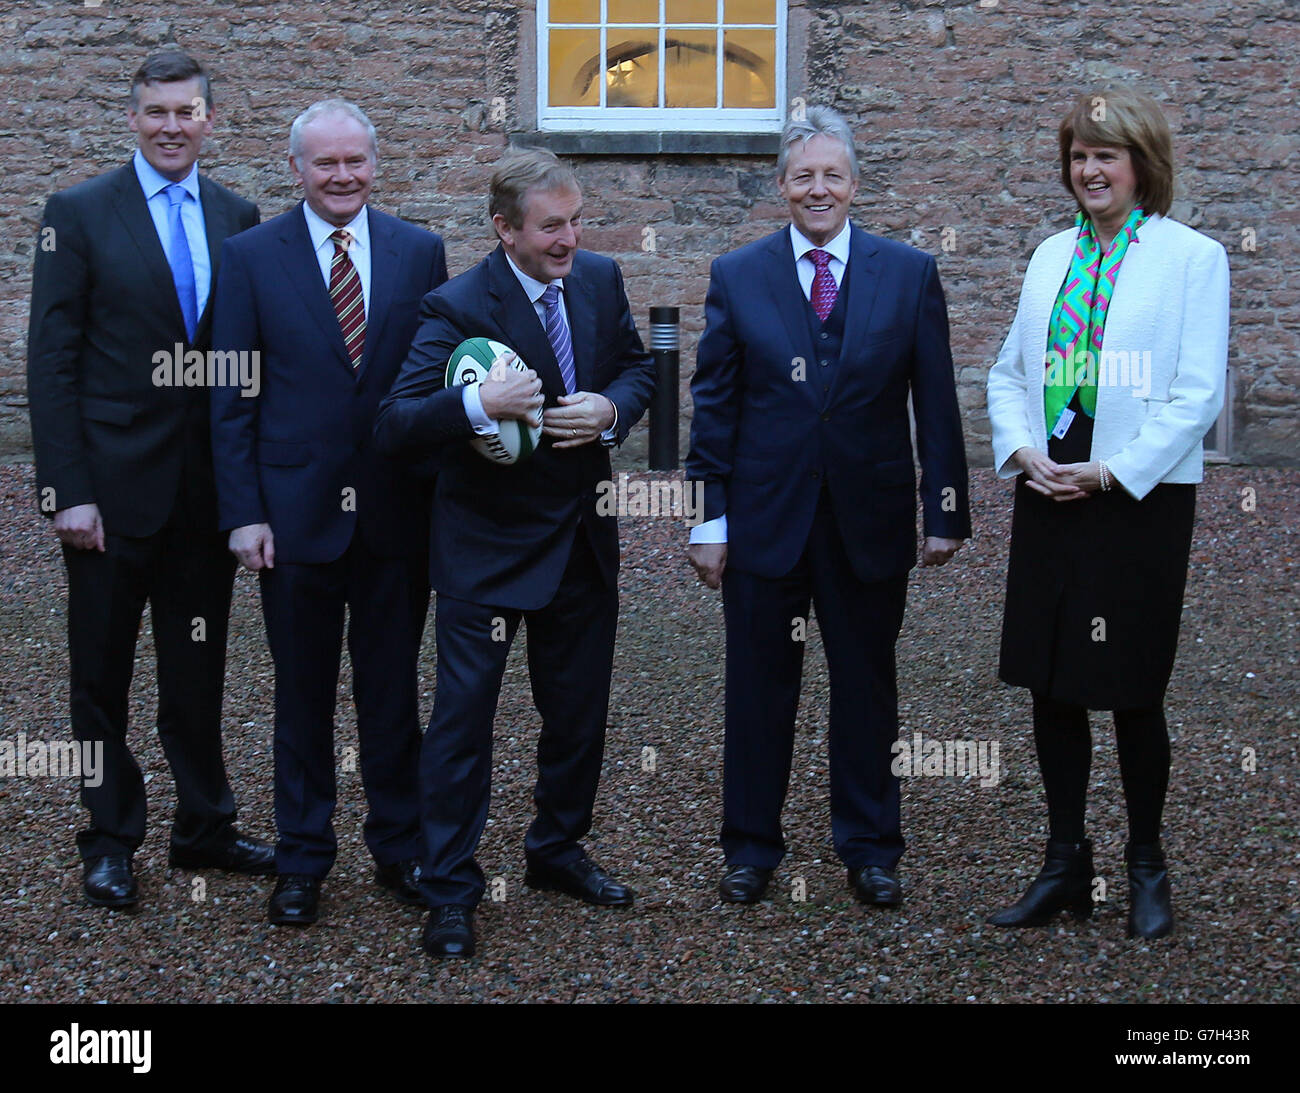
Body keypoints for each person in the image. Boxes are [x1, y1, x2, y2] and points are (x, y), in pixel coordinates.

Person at [685, 107, 971, 909]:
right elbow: (715, 403)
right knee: (756, 686)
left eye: (832, 175)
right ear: (782, 185)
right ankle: (749, 847)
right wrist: (707, 516)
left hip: (868, 518)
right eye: (803, 175)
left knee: (867, 685)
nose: (818, 189)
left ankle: (872, 846)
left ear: (854, 184)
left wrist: (945, 507)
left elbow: (936, 402)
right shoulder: (738, 274)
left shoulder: (908, 273)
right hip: (763, 518)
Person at [374, 147, 656, 958]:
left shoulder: (599, 279)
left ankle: (557, 851)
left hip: (581, 545)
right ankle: (451, 885)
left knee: (577, 717)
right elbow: (394, 423)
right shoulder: (457, 304)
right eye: (551, 226)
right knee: (462, 727)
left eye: (576, 220)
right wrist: (476, 403)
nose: (570, 238)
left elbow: (638, 370)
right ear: (503, 229)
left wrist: (609, 410)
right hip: (485, 552)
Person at [26, 51, 270, 908]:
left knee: (196, 670)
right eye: (157, 112)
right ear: (133, 119)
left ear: (210, 119)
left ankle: (204, 826)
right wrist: (66, 489)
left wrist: (251, 492)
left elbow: (245, 362)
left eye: (188, 112)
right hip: (110, 495)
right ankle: (109, 836)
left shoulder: (240, 217)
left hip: (204, 498)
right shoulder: (80, 213)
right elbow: (50, 363)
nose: (173, 126)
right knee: (101, 674)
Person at [984, 87, 1228, 939]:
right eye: (1079, 156)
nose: (1089, 170)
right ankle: (1064, 866)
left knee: (1130, 688)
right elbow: (1009, 374)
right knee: (1052, 684)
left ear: (1142, 166)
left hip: (1135, 498)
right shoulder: (1051, 255)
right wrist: (1024, 454)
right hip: (1050, 484)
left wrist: (1112, 472)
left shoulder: (1191, 258)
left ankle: (1146, 865)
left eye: (1105, 155)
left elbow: (1197, 395)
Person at [209, 100, 448, 926]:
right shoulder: (248, 257)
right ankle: (303, 856)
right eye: (325, 164)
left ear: (374, 163)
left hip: (392, 517)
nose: (342, 177)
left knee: (391, 692)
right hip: (292, 515)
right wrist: (242, 511)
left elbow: (433, 387)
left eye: (355, 162)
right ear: (296, 169)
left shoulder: (420, 252)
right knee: (302, 696)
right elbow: (231, 394)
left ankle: (400, 846)